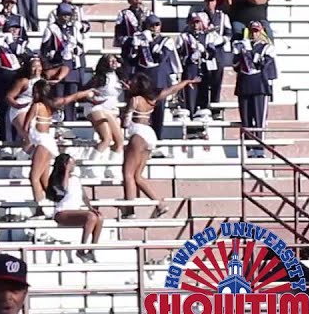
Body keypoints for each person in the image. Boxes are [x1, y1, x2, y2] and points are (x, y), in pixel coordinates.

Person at [120, 73, 197, 219]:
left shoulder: (135, 100)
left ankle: (129, 210)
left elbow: (125, 123)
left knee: (128, 174)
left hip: (137, 134)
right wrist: (186, 81)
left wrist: (124, 107)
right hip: (150, 135)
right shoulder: (152, 99)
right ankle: (160, 204)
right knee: (138, 176)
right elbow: (171, 89)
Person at [24, 81, 96, 214]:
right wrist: (86, 92)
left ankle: (39, 209)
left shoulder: (36, 106)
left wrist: (27, 142)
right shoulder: (51, 105)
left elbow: (25, 126)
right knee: (44, 179)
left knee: (33, 176)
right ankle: (54, 204)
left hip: (40, 141)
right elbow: (69, 98)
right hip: (48, 141)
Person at [46, 153, 104, 262]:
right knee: (90, 217)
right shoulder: (57, 179)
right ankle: (81, 250)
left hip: (75, 211)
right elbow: (64, 189)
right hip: (62, 212)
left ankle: (92, 250)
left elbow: (83, 195)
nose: (73, 166)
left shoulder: (76, 179)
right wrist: (66, 172)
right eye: (71, 164)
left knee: (98, 217)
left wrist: (90, 207)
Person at [235, 22, 278, 158]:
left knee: (259, 120)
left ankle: (260, 148)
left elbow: (262, 65)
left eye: (257, 31)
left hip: (260, 86)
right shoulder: (242, 46)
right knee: (246, 120)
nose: (254, 34)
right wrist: (240, 51)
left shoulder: (267, 48)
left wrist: (249, 52)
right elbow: (236, 65)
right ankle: (248, 148)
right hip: (244, 85)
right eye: (252, 31)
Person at [82, 54, 124, 180]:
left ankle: (110, 168)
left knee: (119, 141)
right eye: (110, 61)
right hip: (97, 108)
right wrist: (93, 98)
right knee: (106, 138)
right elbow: (85, 92)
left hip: (111, 109)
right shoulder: (100, 78)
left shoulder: (118, 77)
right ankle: (90, 166)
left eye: (114, 61)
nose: (113, 63)